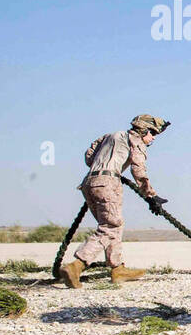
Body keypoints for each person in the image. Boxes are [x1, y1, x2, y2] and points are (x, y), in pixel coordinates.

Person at [60, 114, 170, 288]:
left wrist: (105, 163)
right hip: (108, 183)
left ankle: (117, 269)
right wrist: (151, 196)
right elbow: (138, 170)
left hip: (89, 182)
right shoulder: (136, 141)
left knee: (113, 225)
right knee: (110, 227)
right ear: (145, 130)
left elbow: (89, 156)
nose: (153, 138)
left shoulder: (110, 136)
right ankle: (77, 265)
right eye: (153, 134)